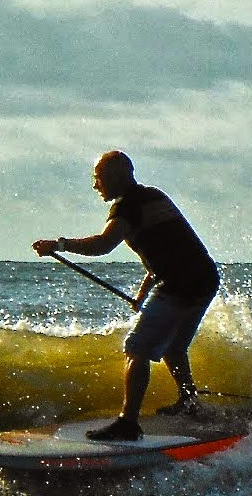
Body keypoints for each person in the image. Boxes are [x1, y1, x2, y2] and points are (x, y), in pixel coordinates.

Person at [33, 149, 220, 441]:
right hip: (205, 279)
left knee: (136, 348)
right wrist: (142, 295)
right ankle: (189, 402)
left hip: (179, 283)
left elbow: (103, 245)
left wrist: (59, 245)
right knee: (173, 348)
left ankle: (128, 423)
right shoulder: (153, 196)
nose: (96, 186)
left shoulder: (127, 207)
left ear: (115, 177)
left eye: (98, 178)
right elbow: (166, 251)